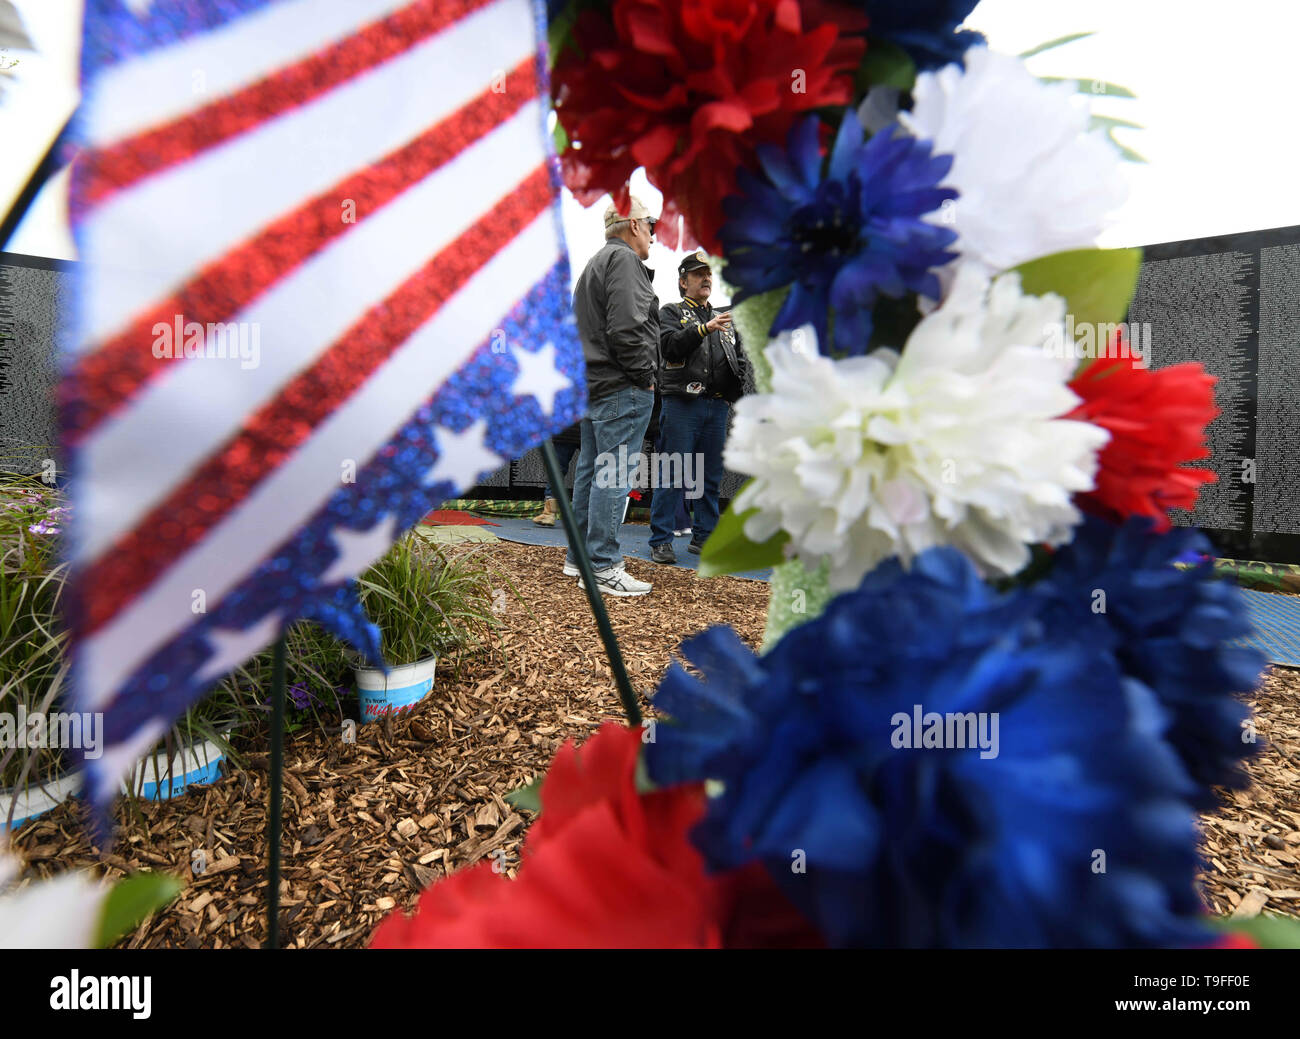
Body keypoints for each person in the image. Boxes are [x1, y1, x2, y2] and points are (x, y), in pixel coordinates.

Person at [564, 196, 660, 596]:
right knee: (613, 474)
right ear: (634, 225)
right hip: (622, 386)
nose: (654, 235)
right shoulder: (624, 262)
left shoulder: (592, 265)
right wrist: (645, 377)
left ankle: (580, 558)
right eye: (650, 225)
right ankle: (603, 564)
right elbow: (627, 329)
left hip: (595, 386)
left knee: (591, 471)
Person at [649, 250, 747, 564]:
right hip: (682, 404)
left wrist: (736, 384)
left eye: (709, 273)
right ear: (683, 282)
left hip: (717, 407)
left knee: (710, 477)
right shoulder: (671, 311)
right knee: (673, 472)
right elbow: (669, 346)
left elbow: (738, 358)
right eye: (698, 273)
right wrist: (704, 329)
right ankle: (661, 540)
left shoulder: (725, 319)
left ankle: (704, 538)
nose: (706, 278)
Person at [533, 421, 581, 527]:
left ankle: (549, 513)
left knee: (557, 470)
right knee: (589, 471)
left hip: (565, 430)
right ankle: (583, 516)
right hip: (587, 429)